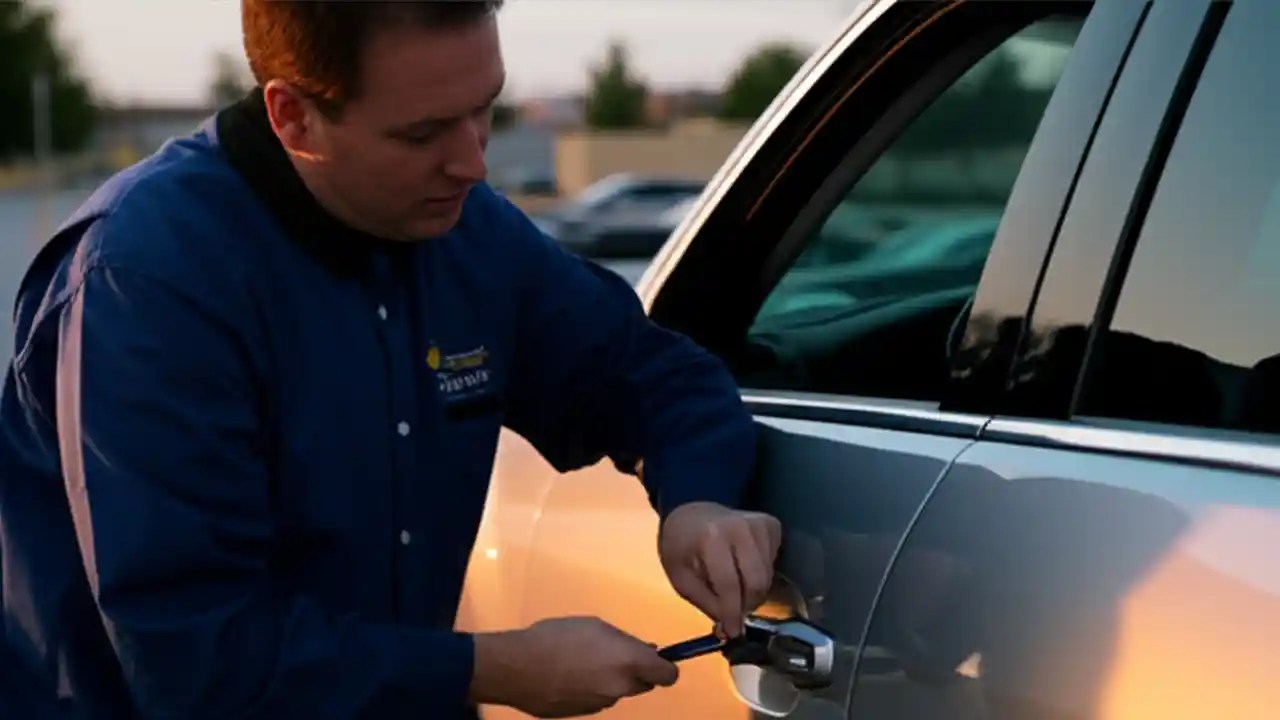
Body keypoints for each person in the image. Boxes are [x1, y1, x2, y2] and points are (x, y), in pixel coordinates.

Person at [0, 1, 782, 718]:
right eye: (423, 133)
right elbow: (197, 656)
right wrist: (492, 669)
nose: (472, 163)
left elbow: (649, 374)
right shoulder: (146, 284)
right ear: (294, 117)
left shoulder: (473, 238)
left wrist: (697, 500)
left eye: (486, 112)